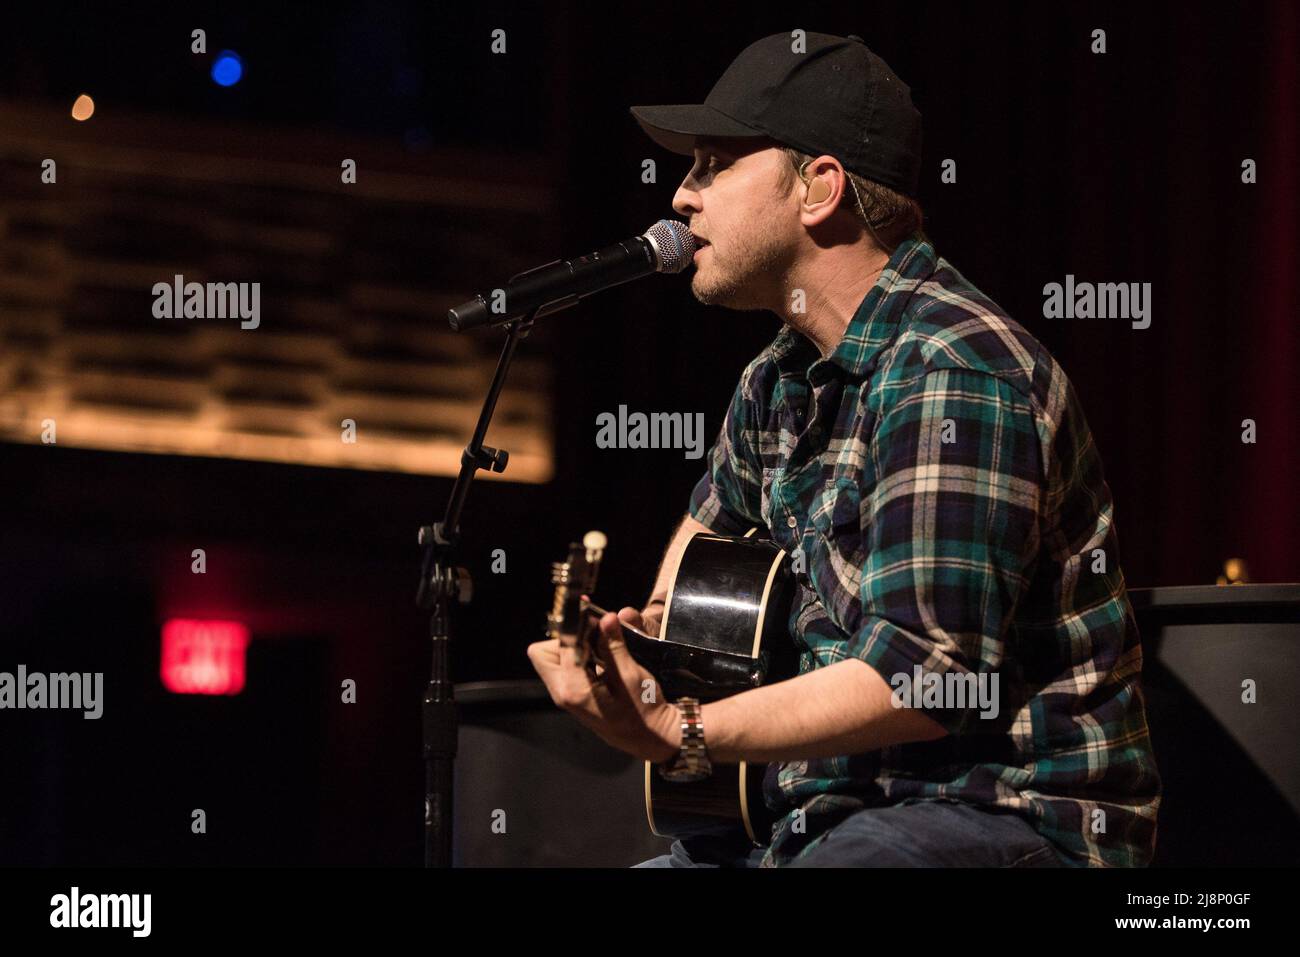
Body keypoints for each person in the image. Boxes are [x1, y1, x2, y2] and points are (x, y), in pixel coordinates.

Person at [527, 31, 1160, 868]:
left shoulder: (954, 372)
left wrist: (681, 727)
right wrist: (634, 652)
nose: (680, 197)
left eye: (714, 163)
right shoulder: (775, 380)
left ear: (818, 188)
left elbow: (920, 675)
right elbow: (694, 586)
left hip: (996, 816)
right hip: (817, 819)